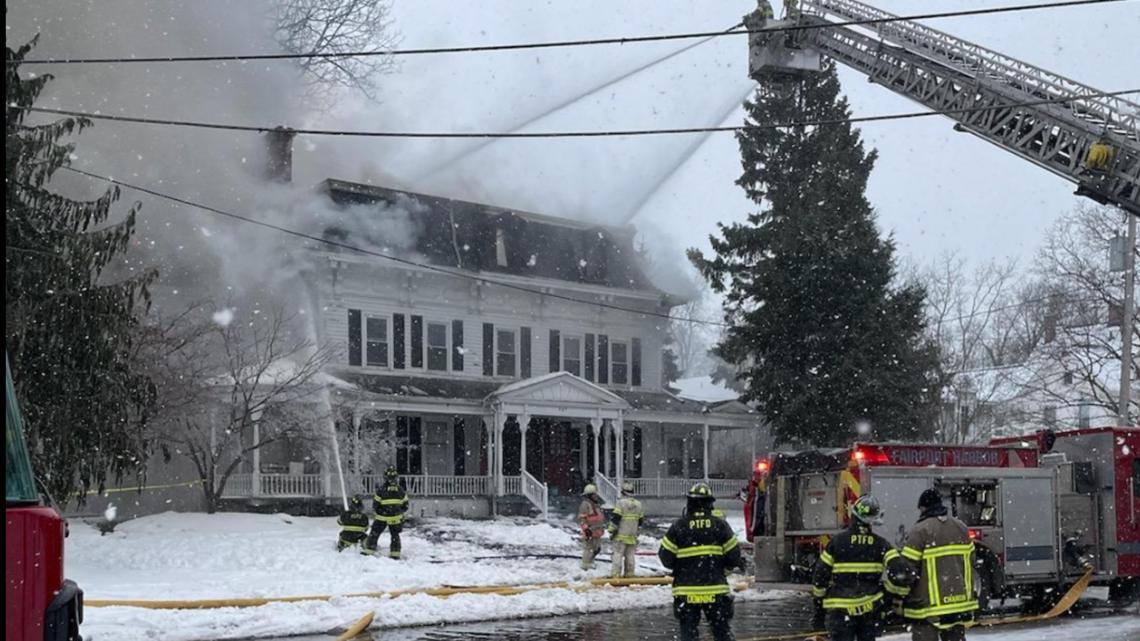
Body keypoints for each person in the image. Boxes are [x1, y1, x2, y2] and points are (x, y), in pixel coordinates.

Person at [885, 489, 977, 641]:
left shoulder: (920, 531)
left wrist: (895, 595)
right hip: (959, 605)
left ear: (923, 508)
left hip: (928, 609)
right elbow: (971, 561)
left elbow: (907, 571)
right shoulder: (961, 527)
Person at [658, 482, 745, 641]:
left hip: (686, 591)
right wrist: (721, 568)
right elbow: (734, 557)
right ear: (710, 503)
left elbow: (665, 558)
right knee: (721, 632)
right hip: (715, 589)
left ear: (690, 502)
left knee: (688, 633)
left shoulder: (679, 526)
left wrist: (682, 567)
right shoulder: (720, 525)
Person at [811, 495, 893, 641]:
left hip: (841, 614)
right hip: (870, 611)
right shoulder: (881, 544)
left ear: (853, 515)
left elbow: (820, 576)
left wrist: (819, 609)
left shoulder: (837, 542)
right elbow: (902, 573)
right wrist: (888, 596)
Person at [362, 466, 409, 559]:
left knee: (374, 533)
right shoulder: (401, 490)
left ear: (385, 478)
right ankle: (395, 553)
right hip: (395, 518)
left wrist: (381, 512)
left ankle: (369, 550)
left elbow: (375, 505)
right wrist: (398, 512)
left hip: (381, 518)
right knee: (395, 535)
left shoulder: (381, 490)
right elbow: (406, 505)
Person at [608, 482, 644, 578]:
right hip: (632, 535)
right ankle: (629, 574)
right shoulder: (638, 504)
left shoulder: (621, 503)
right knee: (630, 555)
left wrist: (611, 530)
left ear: (623, 492)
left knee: (618, 555)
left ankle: (616, 575)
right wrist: (637, 531)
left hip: (621, 535)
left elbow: (616, 518)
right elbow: (640, 520)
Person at [578, 483, 606, 570]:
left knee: (596, 549)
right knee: (589, 548)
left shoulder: (595, 505)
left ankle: (590, 561)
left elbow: (598, 517)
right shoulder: (586, 505)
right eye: (594, 494)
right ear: (590, 495)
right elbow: (582, 519)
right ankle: (585, 564)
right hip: (590, 531)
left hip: (597, 531)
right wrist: (586, 529)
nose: (596, 496)